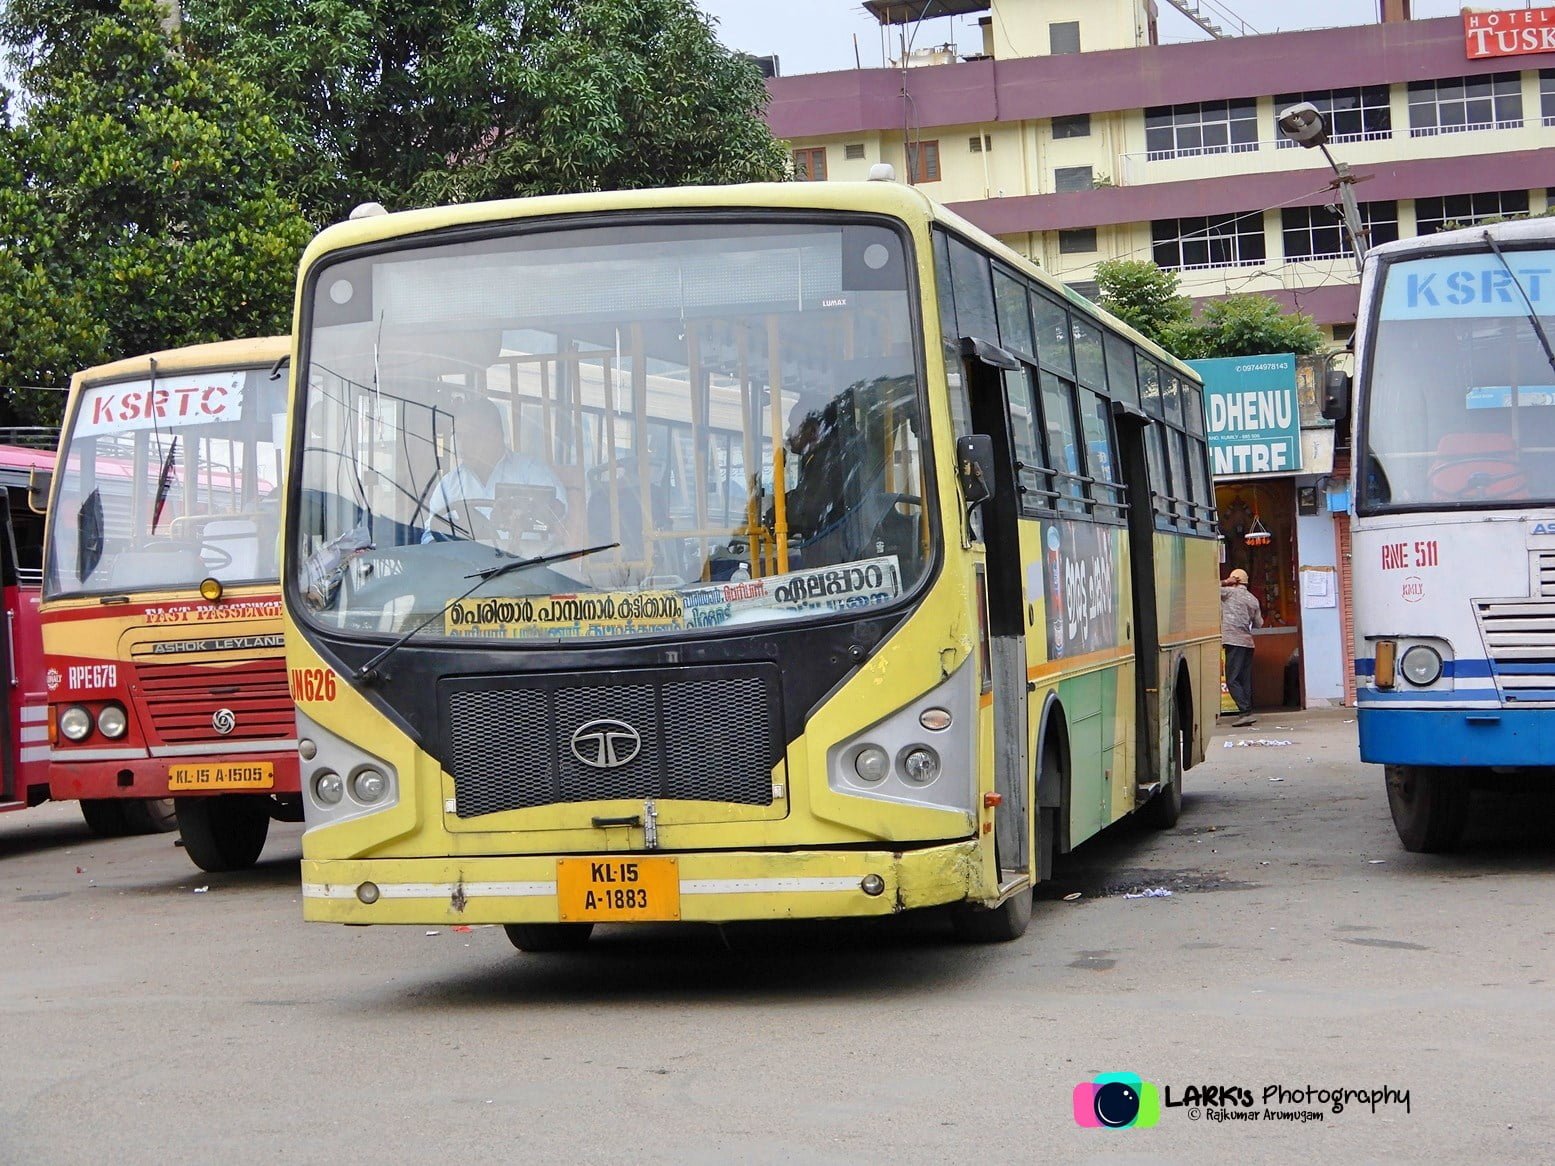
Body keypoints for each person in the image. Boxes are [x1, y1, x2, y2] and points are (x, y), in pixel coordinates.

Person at [422, 396, 564, 543]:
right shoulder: (448, 486)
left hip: (527, 563)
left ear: (494, 435)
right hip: (467, 564)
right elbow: (430, 534)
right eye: (459, 436)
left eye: (471, 437)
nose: (462, 445)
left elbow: (561, 520)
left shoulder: (533, 473)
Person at [1221, 567, 1262, 727]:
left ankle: (1245, 712)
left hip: (1233, 641)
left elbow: (1209, 588)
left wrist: (1225, 582)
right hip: (1248, 643)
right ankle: (1248, 712)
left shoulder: (1229, 592)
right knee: (1244, 680)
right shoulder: (1253, 599)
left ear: (1234, 580)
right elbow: (1259, 624)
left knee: (1232, 679)